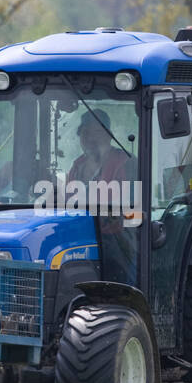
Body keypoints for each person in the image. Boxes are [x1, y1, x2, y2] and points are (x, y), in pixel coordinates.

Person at [68, 110, 138, 285]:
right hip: (82, 239)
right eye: (85, 133)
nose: (90, 138)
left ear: (109, 136)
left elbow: (135, 211)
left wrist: (119, 222)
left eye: (96, 132)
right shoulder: (77, 166)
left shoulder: (126, 162)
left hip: (118, 240)